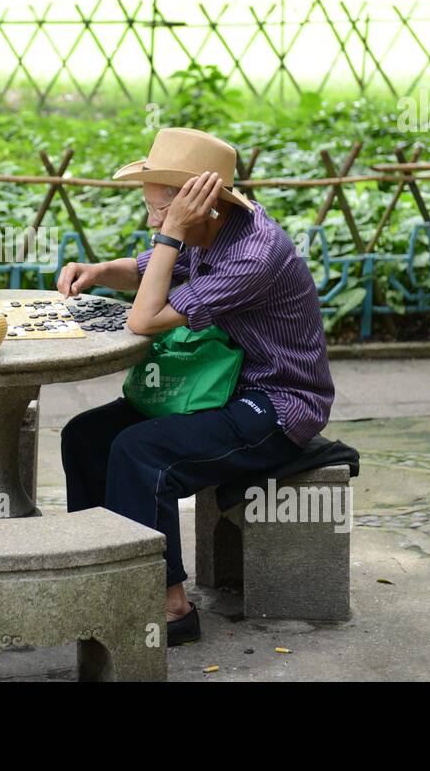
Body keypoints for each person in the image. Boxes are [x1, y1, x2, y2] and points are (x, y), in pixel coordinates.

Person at [57, 127, 335, 646]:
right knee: (84, 434)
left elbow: (145, 318)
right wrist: (96, 271)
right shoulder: (211, 232)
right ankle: (106, 569)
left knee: (142, 452)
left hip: (276, 404)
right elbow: (144, 273)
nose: (151, 221)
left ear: (201, 207)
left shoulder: (253, 255)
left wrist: (171, 233)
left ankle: (172, 607)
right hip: (218, 388)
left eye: (158, 211)